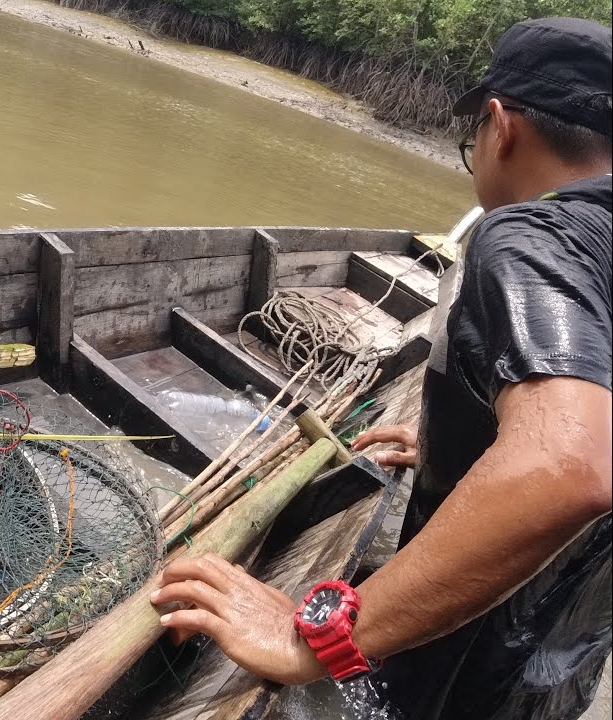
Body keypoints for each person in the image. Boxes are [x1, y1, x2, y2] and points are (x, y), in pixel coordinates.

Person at [150, 16, 612, 720]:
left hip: (463, 671)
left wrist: (319, 639)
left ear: (500, 126)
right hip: (562, 667)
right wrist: (463, 446)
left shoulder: (528, 238)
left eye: (471, 142)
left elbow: (573, 463)